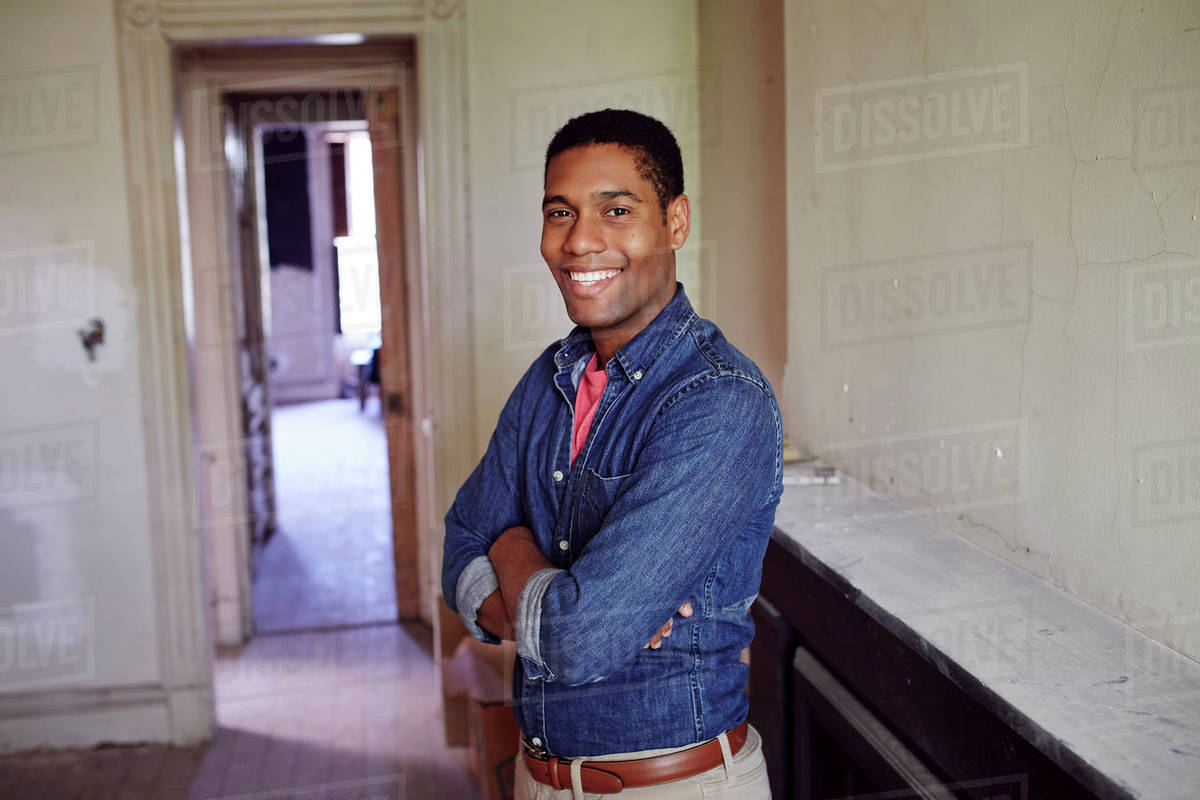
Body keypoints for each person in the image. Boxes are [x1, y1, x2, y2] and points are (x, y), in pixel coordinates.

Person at [441, 108, 782, 799]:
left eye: (616, 210)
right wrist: (559, 602)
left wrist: (508, 548)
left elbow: (580, 641)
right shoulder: (547, 381)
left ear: (675, 223)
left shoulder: (719, 401)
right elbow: (456, 549)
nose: (580, 242)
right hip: (538, 780)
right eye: (560, 213)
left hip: (672, 786)